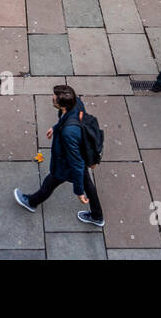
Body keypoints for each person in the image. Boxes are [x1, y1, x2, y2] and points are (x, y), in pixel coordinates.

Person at [13, 85, 104, 227]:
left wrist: (79, 192)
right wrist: (55, 128)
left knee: (52, 181)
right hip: (78, 152)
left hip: (65, 162)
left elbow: (77, 163)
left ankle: (31, 202)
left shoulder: (69, 133)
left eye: (54, 99)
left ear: (62, 106)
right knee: (87, 182)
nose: (52, 98)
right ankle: (97, 216)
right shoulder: (76, 103)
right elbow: (70, 119)